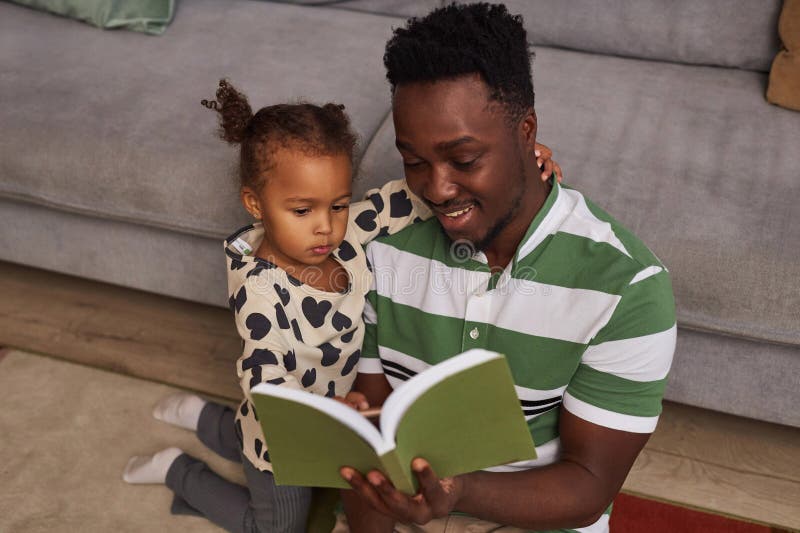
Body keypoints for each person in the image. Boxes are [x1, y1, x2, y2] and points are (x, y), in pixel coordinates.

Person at [121, 79, 563, 532]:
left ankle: (202, 416)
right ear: (256, 204)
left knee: (321, 463)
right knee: (275, 527)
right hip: (285, 435)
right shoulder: (258, 290)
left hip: (341, 423)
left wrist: (515, 163)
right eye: (302, 211)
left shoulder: (350, 232)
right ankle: (180, 471)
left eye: (336, 205)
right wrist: (325, 414)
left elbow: (417, 196)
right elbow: (264, 376)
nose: (325, 228)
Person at [338, 3, 676, 533]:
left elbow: (588, 486)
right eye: (414, 161)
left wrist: (458, 492)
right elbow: (373, 423)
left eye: (465, 160)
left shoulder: (627, 288)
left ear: (527, 131)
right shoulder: (382, 243)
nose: (436, 189)